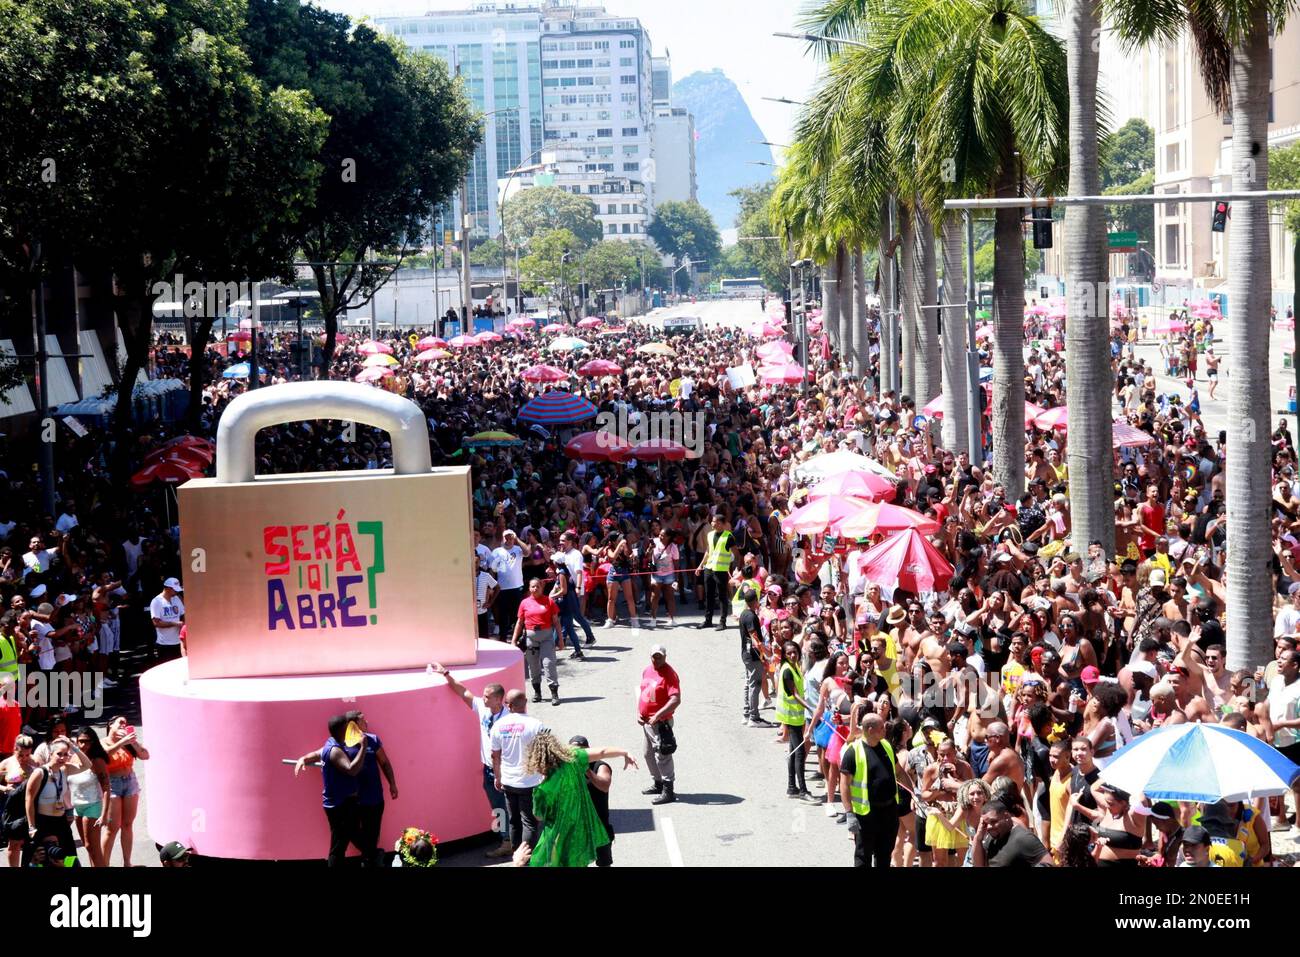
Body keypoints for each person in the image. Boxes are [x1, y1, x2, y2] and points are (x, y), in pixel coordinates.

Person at [429, 663, 513, 859]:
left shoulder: (508, 719)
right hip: (489, 769)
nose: (482, 698)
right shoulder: (484, 710)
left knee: (504, 805)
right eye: (483, 695)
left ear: (499, 700)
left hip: (503, 770)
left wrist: (500, 774)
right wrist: (446, 674)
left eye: (487, 696)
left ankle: (508, 841)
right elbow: (463, 692)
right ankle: (507, 838)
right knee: (498, 806)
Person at [520, 730, 637, 867]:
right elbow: (603, 751)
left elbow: (539, 816)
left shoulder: (542, 790)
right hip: (582, 832)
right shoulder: (574, 759)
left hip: (559, 838)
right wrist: (625, 752)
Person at [292, 714, 367, 866]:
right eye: (349, 726)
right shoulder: (334, 751)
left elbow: (317, 754)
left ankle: (372, 853)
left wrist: (304, 759)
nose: (352, 728)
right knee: (338, 847)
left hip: (343, 803)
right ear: (343, 729)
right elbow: (351, 770)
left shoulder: (331, 743)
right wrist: (364, 746)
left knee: (352, 833)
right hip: (340, 806)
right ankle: (371, 853)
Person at [839, 713, 901, 867]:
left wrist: (914, 793)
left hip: (889, 811)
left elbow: (899, 772)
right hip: (866, 814)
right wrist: (849, 814)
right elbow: (844, 785)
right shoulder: (853, 752)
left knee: (884, 855)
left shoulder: (887, 746)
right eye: (882, 727)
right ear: (871, 729)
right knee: (863, 856)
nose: (885, 729)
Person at [490, 689, 545, 852]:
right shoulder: (536, 725)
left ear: (508, 705)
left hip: (508, 781)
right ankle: (528, 857)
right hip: (530, 781)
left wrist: (497, 777)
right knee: (529, 822)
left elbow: (495, 756)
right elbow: (543, 754)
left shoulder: (498, 726)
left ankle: (517, 856)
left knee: (514, 820)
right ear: (526, 702)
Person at [345, 710, 397, 867]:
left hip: (374, 797)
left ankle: (368, 860)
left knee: (373, 833)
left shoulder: (373, 740)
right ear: (352, 724)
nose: (366, 722)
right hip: (353, 799)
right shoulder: (342, 743)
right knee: (350, 830)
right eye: (362, 720)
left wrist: (392, 784)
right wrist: (304, 759)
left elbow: (385, 762)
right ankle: (373, 854)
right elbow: (325, 754)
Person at [23, 735, 79, 867]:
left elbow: (87, 765)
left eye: (66, 754)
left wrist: (74, 747)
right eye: (59, 754)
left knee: (68, 858)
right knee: (40, 859)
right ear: (50, 753)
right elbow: (28, 799)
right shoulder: (40, 772)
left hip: (61, 822)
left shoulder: (65, 770)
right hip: (42, 822)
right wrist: (31, 826)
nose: (62, 758)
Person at [101, 716, 148, 867]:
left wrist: (133, 742)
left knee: (127, 824)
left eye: (125, 723)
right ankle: (103, 864)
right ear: (110, 725)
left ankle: (127, 863)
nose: (123, 725)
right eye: (120, 722)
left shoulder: (128, 743)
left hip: (130, 782)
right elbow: (105, 755)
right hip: (112, 784)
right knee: (112, 828)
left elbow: (145, 755)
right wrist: (122, 741)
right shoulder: (103, 742)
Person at [639, 644, 681, 805]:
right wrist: (639, 712)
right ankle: (658, 783)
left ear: (665, 657)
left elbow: (675, 699)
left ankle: (668, 790)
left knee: (662, 755)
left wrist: (657, 715)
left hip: (661, 723)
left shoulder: (669, 674)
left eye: (660, 657)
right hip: (647, 722)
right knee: (647, 753)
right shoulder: (647, 670)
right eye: (654, 656)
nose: (657, 660)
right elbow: (644, 692)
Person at [512, 577, 561, 706]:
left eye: (537, 586)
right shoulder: (524, 603)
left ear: (542, 587)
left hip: (547, 637)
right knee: (533, 667)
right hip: (530, 638)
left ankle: (554, 694)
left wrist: (561, 640)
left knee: (548, 664)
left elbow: (556, 622)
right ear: (529, 588)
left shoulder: (549, 601)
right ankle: (537, 693)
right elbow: (519, 622)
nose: (535, 588)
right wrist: (513, 640)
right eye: (532, 586)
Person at [569, 735, 616, 866]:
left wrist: (587, 771)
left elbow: (604, 785)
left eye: (581, 751)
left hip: (599, 827)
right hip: (577, 828)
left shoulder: (600, 766)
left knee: (604, 864)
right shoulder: (567, 769)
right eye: (574, 751)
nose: (577, 754)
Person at [775, 639, 813, 800]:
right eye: (789, 653)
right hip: (792, 716)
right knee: (798, 754)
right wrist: (811, 708)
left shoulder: (794, 666)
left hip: (794, 715)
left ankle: (792, 787)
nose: (792, 655)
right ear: (784, 655)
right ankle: (803, 790)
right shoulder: (787, 670)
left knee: (793, 752)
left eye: (794, 652)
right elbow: (795, 694)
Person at [67, 728, 111, 867]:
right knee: (88, 847)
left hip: (93, 806)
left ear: (93, 742)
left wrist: (104, 815)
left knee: (94, 849)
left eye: (87, 742)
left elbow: (106, 788)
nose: (84, 745)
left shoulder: (97, 761)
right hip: (77, 808)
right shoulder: (72, 757)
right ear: (76, 741)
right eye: (81, 741)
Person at [973, 798, 1052, 866]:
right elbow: (979, 865)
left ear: (1006, 816)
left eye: (993, 821)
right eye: (986, 823)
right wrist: (978, 838)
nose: (989, 827)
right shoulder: (990, 839)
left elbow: (1049, 863)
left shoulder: (1023, 838)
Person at [738, 585, 770, 727]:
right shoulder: (751, 616)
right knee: (754, 684)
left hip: (745, 653)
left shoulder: (744, 613)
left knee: (748, 683)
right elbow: (754, 637)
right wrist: (765, 653)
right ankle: (754, 717)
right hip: (753, 654)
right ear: (755, 601)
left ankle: (746, 714)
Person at [696, 512, 734, 630]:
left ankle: (722, 622)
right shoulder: (710, 534)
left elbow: (736, 553)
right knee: (709, 595)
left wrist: (736, 568)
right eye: (712, 521)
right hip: (709, 568)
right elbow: (708, 551)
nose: (713, 523)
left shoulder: (729, 536)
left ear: (723, 524)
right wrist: (700, 566)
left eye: (716, 522)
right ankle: (708, 620)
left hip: (721, 570)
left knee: (722, 597)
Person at [149, 577, 185, 662]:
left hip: (178, 642)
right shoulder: (156, 601)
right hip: (164, 645)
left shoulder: (177, 599)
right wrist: (174, 623)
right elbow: (156, 623)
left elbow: (184, 614)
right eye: (175, 590)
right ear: (168, 588)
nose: (176, 592)